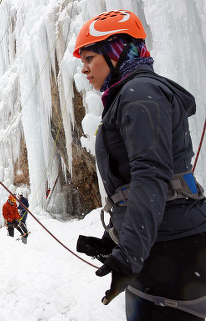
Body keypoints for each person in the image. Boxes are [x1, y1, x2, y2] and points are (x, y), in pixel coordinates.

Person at [73, 9, 206, 321]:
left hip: (171, 246)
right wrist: (116, 238)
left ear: (115, 52)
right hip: (166, 242)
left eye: (90, 58)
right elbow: (138, 182)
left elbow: (151, 174)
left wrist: (130, 254)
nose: (84, 69)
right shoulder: (130, 95)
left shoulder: (139, 93)